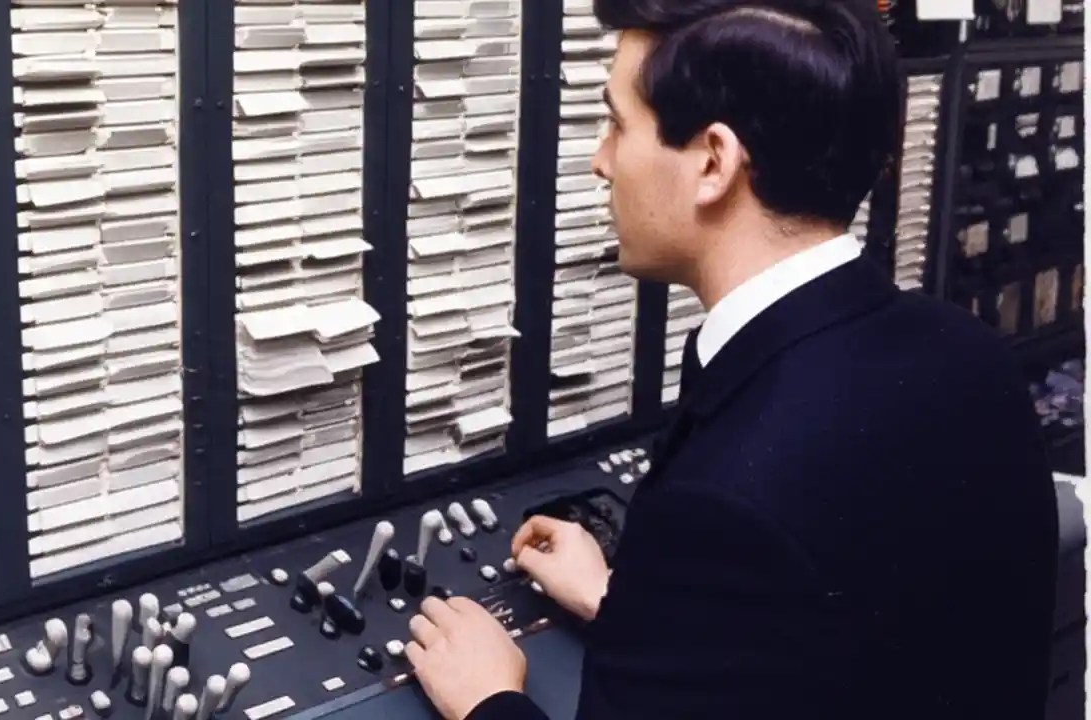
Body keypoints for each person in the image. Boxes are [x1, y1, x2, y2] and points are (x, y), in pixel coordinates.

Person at [402, 1, 1060, 718]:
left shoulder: (723, 506)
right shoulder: (968, 353)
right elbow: (857, 652)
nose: (601, 160)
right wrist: (634, 606)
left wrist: (489, 699)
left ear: (714, 162)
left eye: (618, 124)